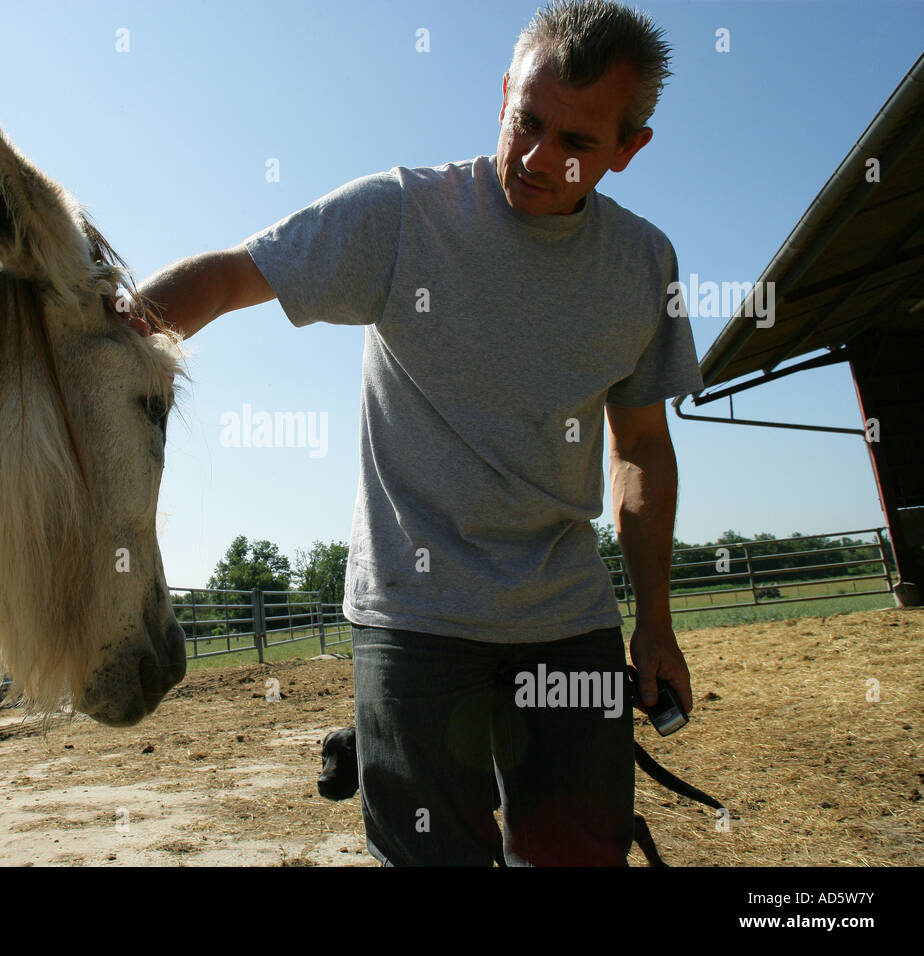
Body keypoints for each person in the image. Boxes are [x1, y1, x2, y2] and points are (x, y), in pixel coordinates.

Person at [125, 0, 702, 865]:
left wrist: (653, 621)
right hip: (414, 619)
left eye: (578, 144)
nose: (539, 159)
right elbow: (230, 277)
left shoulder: (643, 265)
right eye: (527, 121)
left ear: (629, 149)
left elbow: (643, 449)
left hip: (567, 622)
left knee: (580, 859)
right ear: (504, 91)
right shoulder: (401, 217)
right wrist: (105, 345)